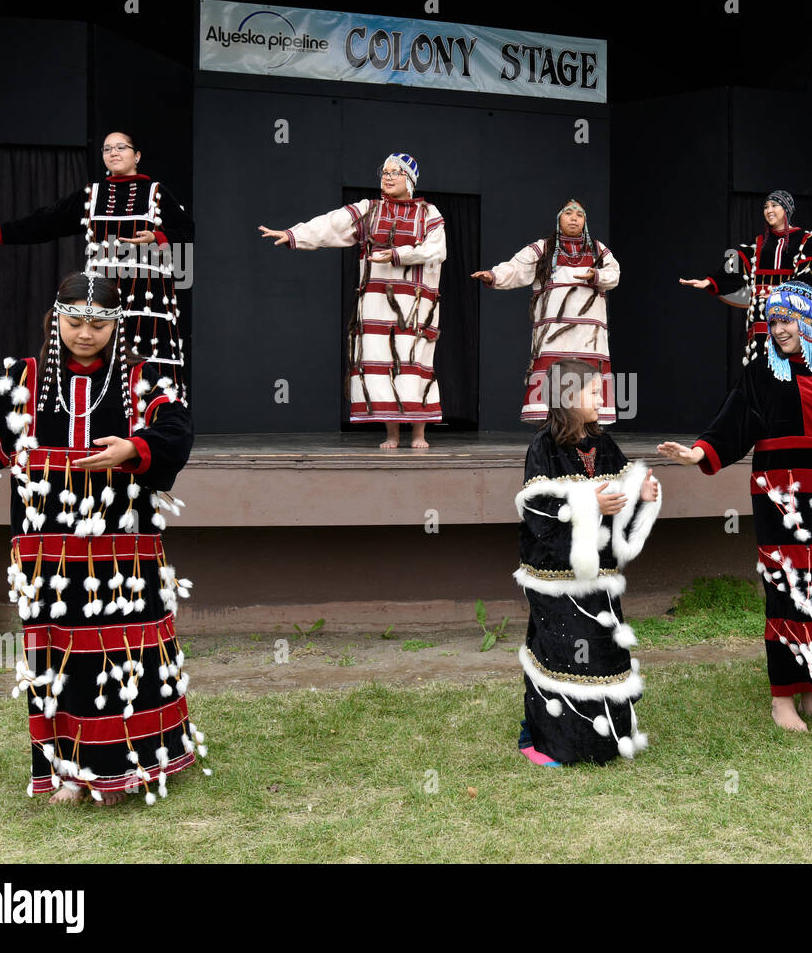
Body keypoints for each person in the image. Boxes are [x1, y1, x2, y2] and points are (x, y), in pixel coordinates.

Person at [0, 272, 207, 804]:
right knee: (59, 658)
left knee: (124, 654)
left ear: (115, 326)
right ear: (55, 319)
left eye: (99, 323)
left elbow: (176, 431)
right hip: (49, 559)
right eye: (75, 321)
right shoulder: (24, 382)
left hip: (123, 555)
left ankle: (128, 768)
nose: (86, 333)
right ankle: (68, 775)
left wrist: (133, 449)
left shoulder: (142, 380)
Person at [659, 282, 812, 731]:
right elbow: (731, 422)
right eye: (772, 322)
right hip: (781, 498)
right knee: (789, 591)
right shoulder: (760, 372)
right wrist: (699, 452)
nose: (778, 329)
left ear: (811, 318)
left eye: (786, 319)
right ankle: (783, 698)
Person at [0, 132, 195, 391]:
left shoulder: (157, 194)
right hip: (101, 294)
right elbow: (47, 222)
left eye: (121, 147)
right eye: (107, 149)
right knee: (101, 357)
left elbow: (187, 232)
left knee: (149, 361)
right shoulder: (92, 195)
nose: (113, 153)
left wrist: (157, 236)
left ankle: (156, 423)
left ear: (136, 155)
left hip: (148, 299)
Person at [514, 359, 661, 765]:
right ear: (567, 397)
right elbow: (538, 509)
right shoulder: (543, 448)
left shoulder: (605, 444)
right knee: (557, 652)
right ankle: (541, 740)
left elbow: (622, 488)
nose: (602, 400)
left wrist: (641, 493)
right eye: (594, 393)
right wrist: (586, 504)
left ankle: (601, 740)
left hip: (599, 577)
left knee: (601, 648)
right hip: (555, 578)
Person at [259, 153, 446, 449]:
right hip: (375, 302)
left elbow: (436, 250)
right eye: (384, 171)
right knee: (382, 363)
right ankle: (393, 434)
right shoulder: (368, 210)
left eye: (395, 172)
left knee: (414, 363)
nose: (387, 176)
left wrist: (398, 255)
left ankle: (420, 433)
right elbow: (331, 224)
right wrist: (294, 233)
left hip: (415, 304)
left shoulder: (428, 213)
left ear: (409, 179)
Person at [472, 199, 620, 423]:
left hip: (589, 336)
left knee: (589, 380)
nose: (573, 218)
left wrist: (596, 275)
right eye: (568, 213)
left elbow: (614, 274)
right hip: (554, 334)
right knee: (553, 377)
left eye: (579, 215)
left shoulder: (599, 251)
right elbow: (516, 268)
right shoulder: (543, 248)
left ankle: (588, 430)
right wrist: (493, 276)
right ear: (559, 218)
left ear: (585, 222)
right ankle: (552, 430)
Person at [677, 190, 812, 367]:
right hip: (761, 317)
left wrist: (779, 294)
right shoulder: (758, 244)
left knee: (789, 367)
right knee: (760, 366)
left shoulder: (804, 240)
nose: (768, 210)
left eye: (774, 205)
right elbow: (734, 270)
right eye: (766, 206)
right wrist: (708, 281)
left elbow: (810, 278)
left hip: (789, 316)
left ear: (786, 209)